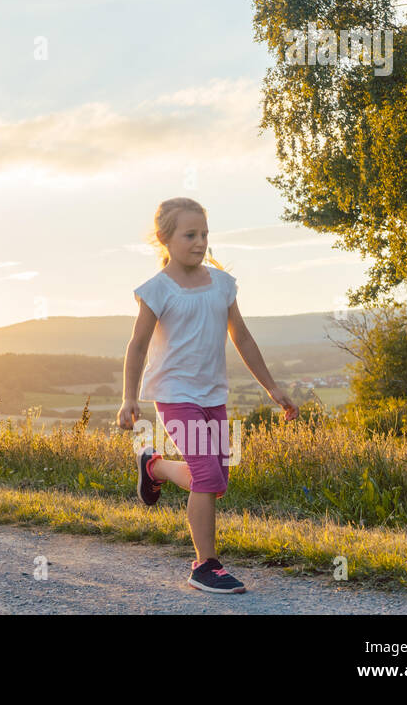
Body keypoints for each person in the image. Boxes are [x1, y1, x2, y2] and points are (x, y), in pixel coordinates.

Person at [117, 197, 298, 593]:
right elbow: (137, 345)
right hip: (174, 394)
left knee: (218, 481)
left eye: (204, 235)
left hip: (214, 395)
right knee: (206, 475)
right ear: (165, 238)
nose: (199, 243)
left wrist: (272, 387)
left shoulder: (222, 284)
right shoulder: (156, 289)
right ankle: (205, 565)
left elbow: (243, 338)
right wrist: (129, 397)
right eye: (190, 235)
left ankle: (155, 467)